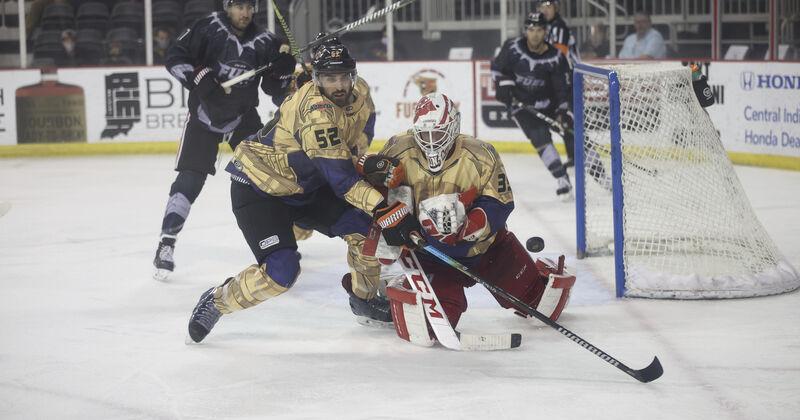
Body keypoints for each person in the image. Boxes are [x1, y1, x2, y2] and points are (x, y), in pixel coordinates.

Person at [185, 41, 422, 343]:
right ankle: (218, 301)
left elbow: (361, 129)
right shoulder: (315, 114)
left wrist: (359, 157)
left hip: (308, 186)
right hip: (261, 189)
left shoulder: (359, 90)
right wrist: (387, 210)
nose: (339, 85)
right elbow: (343, 182)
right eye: (329, 78)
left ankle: (364, 299)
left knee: (367, 235)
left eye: (343, 77)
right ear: (316, 79)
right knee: (282, 271)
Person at [362, 93, 575, 343]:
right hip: (430, 255)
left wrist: (469, 225)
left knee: (540, 304)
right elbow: (380, 191)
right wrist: (372, 179)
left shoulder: (481, 153)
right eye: (424, 135)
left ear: (453, 128)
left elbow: (501, 202)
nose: (430, 142)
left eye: (438, 134)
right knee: (430, 324)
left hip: (487, 249)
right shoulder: (400, 148)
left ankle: (544, 272)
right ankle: (401, 288)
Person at [153, 0, 296, 280]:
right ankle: (166, 243)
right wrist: (198, 79)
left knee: (268, 176)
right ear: (228, 6)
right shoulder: (208, 27)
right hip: (204, 116)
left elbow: (274, 91)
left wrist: (283, 70)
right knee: (189, 181)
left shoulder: (266, 40)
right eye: (238, 6)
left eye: (248, 7)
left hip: (243, 117)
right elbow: (174, 57)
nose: (244, 13)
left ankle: (276, 246)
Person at [491, 12, 574, 200]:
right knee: (541, 139)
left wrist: (562, 111)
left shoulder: (556, 57)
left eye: (539, 30)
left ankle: (605, 179)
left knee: (574, 133)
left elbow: (562, 88)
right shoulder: (512, 47)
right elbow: (498, 70)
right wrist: (504, 88)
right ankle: (562, 179)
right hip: (523, 105)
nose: (535, 34)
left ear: (545, 31)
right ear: (525, 31)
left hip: (549, 105)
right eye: (531, 30)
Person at [538, 0, 577, 166]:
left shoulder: (559, 27)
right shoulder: (545, 29)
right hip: (559, 78)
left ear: (556, 8)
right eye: (542, 6)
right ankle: (575, 156)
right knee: (564, 119)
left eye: (549, 5)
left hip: (570, 77)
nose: (545, 9)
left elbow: (559, 55)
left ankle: (580, 155)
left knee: (568, 117)